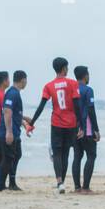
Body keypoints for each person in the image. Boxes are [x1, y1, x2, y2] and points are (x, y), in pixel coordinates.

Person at [26, 57, 81, 194]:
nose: (67, 70)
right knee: (66, 153)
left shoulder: (48, 86)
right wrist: (81, 125)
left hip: (56, 123)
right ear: (63, 68)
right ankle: (62, 182)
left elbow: (41, 106)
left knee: (57, 153)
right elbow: (77, 106)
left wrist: (31, 122)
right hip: (71, 124)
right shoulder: (73, 83)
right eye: (67, 67)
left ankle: (59, 182)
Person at [0, 70, 27, 192]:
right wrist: (9, 132)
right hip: (8, 132)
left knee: (17, 155)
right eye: (26, 80)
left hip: (15, 131)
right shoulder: (12, 93)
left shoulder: (15, 93)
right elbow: (7, 111)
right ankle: (0, 186)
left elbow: (15, 113)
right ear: (23, 80)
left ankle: (12, 183)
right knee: (8, 159)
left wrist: (23, 122)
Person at [71, 66, 101, 194]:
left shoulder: (71, 89)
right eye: (88, 74)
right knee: (91, 155)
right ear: (85, 76)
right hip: (87, 129)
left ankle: (77, 188)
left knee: (77, 156)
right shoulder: (88, 90)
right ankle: (86, 187)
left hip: (74, 128)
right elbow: (90, 109)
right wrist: (96, 129)